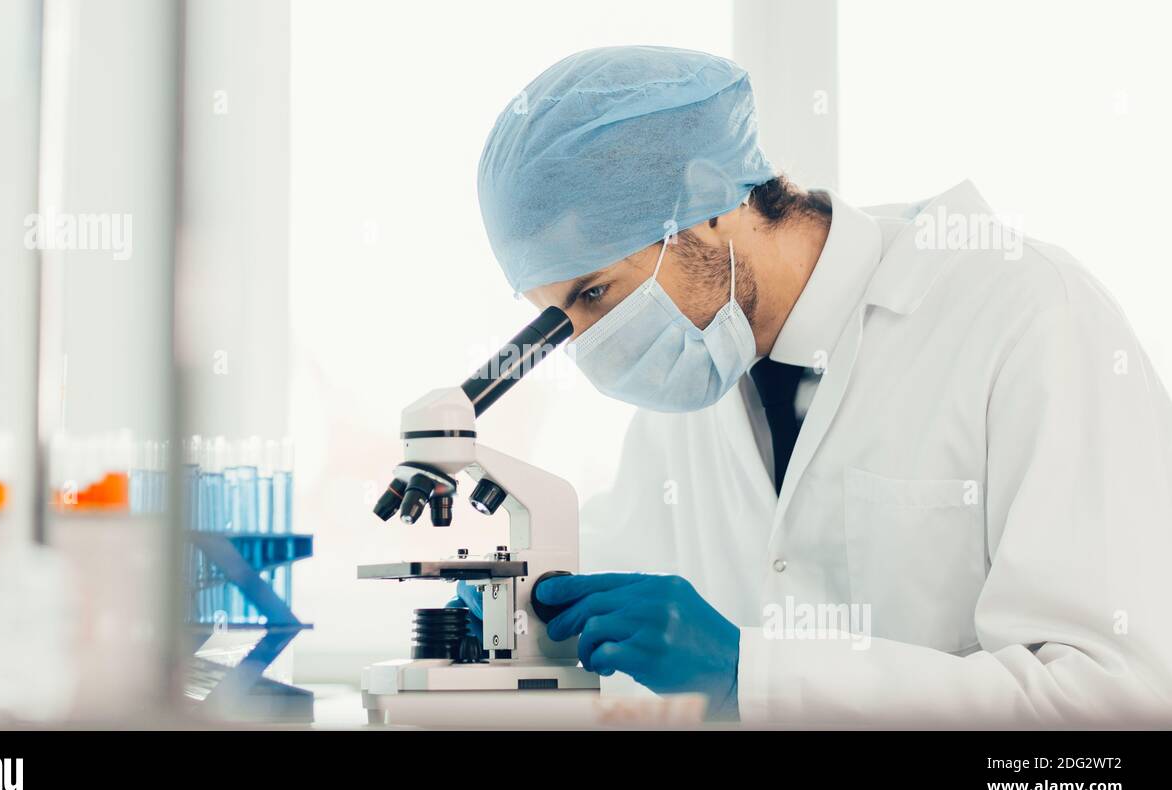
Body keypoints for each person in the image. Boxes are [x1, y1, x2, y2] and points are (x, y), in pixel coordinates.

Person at [453, 45, 1172, 725]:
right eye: (555, 320)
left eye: (596, 293)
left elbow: (1112, 707)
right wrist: (510, 602)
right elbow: (624, 564)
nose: (585, 341)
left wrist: (754, 673)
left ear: (706, 202)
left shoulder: (1027, 318)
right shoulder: (692, 377)